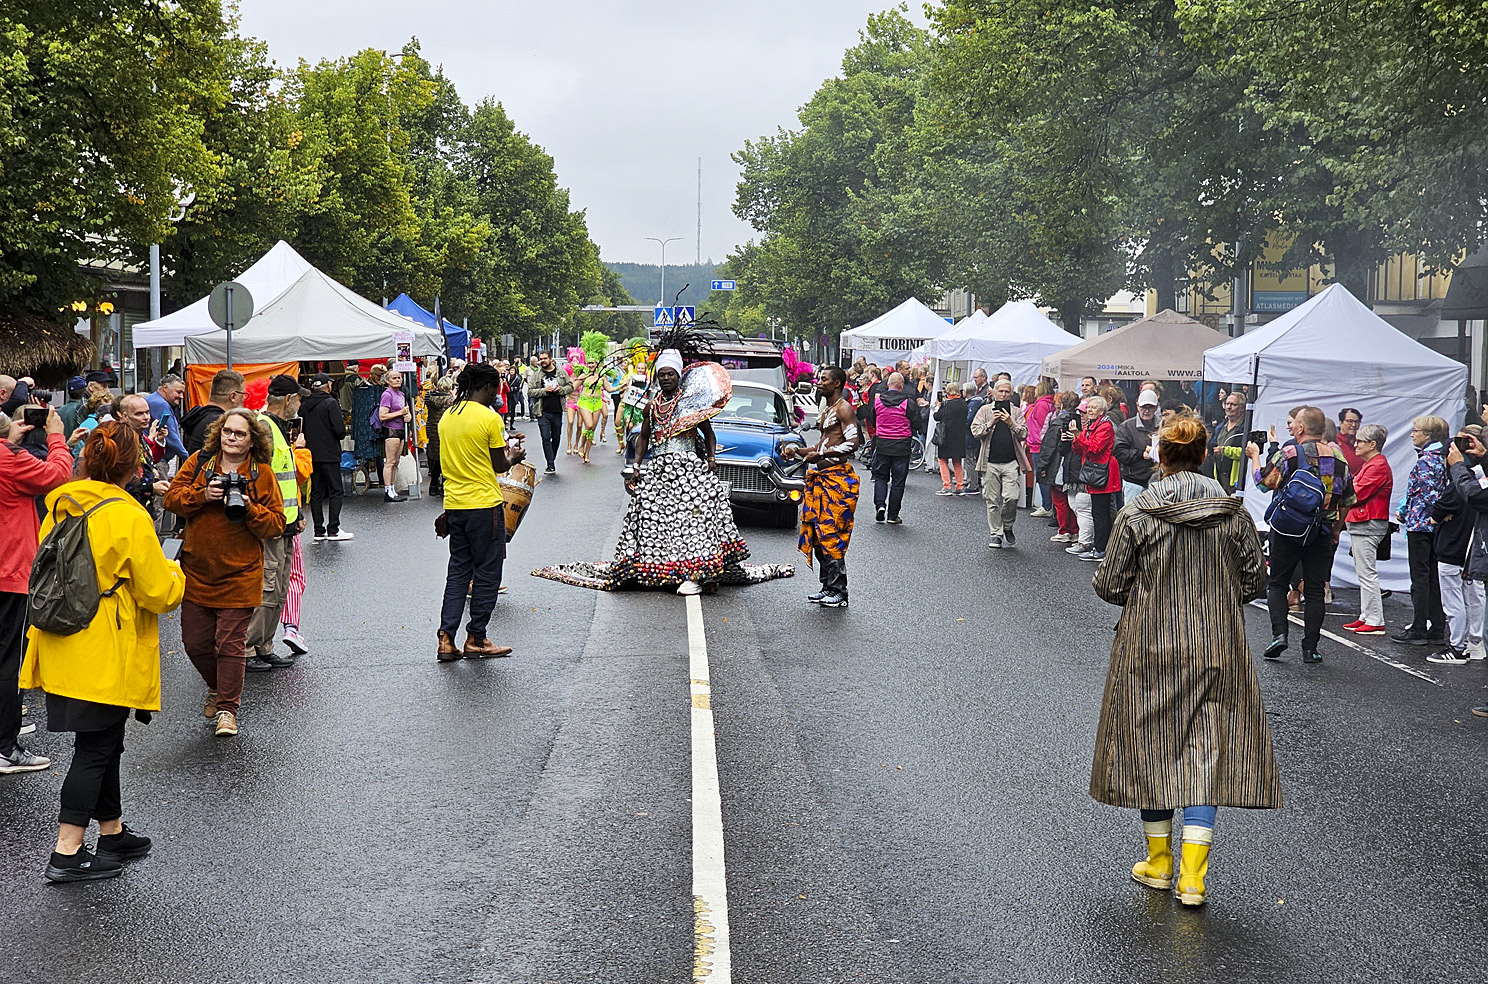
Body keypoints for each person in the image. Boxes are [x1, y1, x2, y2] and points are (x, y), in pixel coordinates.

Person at [1090, 416, 1278, 908]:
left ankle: (1158, 862)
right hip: (1217, 645)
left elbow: (1110, 585)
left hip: (1148, 646)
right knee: (1206, 748)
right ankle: (1193, 879)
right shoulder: (1232, 513)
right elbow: (1255, 583)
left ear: (1162, 454)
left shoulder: (1137, 513)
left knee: (1151, 745)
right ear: (1204, 453)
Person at [20, 422, 186, 882]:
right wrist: (178, 573)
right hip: (104, 647)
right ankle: (67, 851)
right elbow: (157, 592)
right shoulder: (128, 515)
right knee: (95, 748)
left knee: (103, 742)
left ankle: (111, 832)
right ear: (133, 467)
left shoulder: (63, 505)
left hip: (61, 641)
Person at [163, 409, 285, 737]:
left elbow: (275, 524)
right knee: (195, 643)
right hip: (198, 569)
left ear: (252, 440)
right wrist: (202, 496)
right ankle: (217, 688)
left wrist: (248, 507)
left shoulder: (261, 474)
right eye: (227, 432)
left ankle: (228, 710)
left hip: (241, 572)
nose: (231, 438)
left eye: (239, 434)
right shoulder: (200, 464)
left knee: (230, 644)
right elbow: (172, 500)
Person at [1248, 406, 1356, 663]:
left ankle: (1279, 635)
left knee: (1277, 582)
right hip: (1321, 530)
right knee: (1316, 590)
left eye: (1295, 423)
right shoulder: (1339, 458)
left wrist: (1254, 455)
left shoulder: (1290, 453)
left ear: (1301, 428)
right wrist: (1337, 529)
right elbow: (1348, 500)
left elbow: (1264, 483)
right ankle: (1310, 648)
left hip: (1288, 529)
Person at [0, 404, 73, 775]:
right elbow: (57, 476)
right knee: (9, 659)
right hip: (9, 570)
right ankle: (5, 746)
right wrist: (57, 435)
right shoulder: (8, 459)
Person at [435, 364, 526, 660]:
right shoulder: (489, 418)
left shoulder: (448, 416)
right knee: (488, 573)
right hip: (485, 505)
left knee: (458, 570)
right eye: (495, 387)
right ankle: (477, 638)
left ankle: (446, 639)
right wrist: (514, 456)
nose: (497, 393)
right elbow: (500, 464)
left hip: (455, 505)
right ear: (486, 386)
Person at [245, 375, 308, 672]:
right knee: (267, 586)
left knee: (279, 587)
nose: (299, 403)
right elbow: (261, 478)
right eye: (298, 398)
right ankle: (248, 648)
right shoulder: (265, 427)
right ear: (287, 399)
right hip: (271, 522)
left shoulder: (277, 427)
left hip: (285, 522)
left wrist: (298, 514)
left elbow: (285, 479)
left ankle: (264, 645)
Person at [791, 366, 861, 607]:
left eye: (824, 379)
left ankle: (840, 591)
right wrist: (797, 451)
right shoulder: (828, 410)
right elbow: (821, 445)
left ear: (837, 384)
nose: (818, 382)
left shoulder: (844, 408)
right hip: (822, 479)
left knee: (831, 535)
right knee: (818, 535)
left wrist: (824, 454)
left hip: (837, 481)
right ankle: (828, 586)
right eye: (819, 378)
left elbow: (853, 443)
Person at [1387, 415, 1449, 646]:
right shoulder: (1440, 458)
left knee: (1420, 578)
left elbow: (1430, 494)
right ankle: (1436, 626)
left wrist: (1425, 514)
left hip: (1422, 525)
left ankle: (1419, 627)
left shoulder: (1426, 461)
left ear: (1428, 435)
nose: (1412, 434)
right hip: (1430, 524)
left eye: (1416, 430)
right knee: (1432, 576)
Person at [1427, 427, 1483, 665]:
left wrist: (1439, 515)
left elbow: (1438, 510)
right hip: (1471, 549)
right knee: (1474, 596)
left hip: (1452, 548)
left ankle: (1457, 645)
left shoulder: (1459, 484)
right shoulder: (1480, 480)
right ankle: (1475, 643)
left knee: (1453, 599)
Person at [971, 377, 1030, 549]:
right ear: (994, 392)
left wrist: (1011, 423)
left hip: (1011, 461)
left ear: (1011, 394)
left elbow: (1024, 434)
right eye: (1001, 391)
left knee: (1012, 497)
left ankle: (1008, 525)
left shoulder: (1017, 412)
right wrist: (991, 423)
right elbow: (976, 431)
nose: (1003, 395)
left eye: (1007, 392)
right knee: (992, 499)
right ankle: (996, 534)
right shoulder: (985, 410)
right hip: (989, 462)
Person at [301, 372, 351, 541]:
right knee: (336, 490)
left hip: (311, 454)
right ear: (328, 386)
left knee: (316, 491)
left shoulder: (304, 404)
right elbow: (339, 430)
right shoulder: (330, 403)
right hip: (330, 453)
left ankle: (318, 530)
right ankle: (333, 529)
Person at [865, 372, 920, 524]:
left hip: (883, 443)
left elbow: (873, 420)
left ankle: (880, 505)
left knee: (881, 477)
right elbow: (917, 423)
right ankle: (892, 515)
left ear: (888, 384)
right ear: (901, 386)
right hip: (902, 445)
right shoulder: (908, 403)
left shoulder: (878, 402)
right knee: (898, 481)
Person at [1072, 395, 1121, 562]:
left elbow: (1095, 449)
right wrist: (1076, 438)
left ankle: (1101, 549)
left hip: (1103, 474)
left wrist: (1078, 436)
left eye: (1093, 407)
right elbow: (1079, 450)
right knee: (1098, 511)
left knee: (1100, 513)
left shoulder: (1105, 426)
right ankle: (1100, 547)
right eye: (1089, 407)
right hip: (1096, 473)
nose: (1089, 410)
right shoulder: (1092, 425)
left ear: (1101, 410)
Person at [1037, 392, 1082, 544]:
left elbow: (1049, 447)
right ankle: (1075, 530)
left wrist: (1042, 466)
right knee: (1072, 499)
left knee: (1060, 500)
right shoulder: (1079, 421)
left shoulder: (1058, 422)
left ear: (1062, 404)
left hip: (1058, 465)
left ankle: (1064, 530)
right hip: (1074, 465)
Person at [526, 351, 573, 474]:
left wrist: (560, 390)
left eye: (545, 358)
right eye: (540, 359)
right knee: (546, 437)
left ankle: (552, 458)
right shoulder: (537, 375)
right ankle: (550, 464)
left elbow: (570, 387)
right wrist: (544, 390)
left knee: (556, 437)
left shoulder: (561, 373)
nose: (542, 361)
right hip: (542, 411)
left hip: (557, 410)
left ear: (551, 359)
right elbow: (530, 391)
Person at [180, 369, 245, 455]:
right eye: (243, 394)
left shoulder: (199, 417)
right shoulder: (221, 422)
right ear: (233, 396)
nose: (244, 399)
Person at [1113, 389, 1161, 499]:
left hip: (1157, 481)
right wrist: (1141, 454)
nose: (1147, 411)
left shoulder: (1163, 426)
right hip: (1133, 481)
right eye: (1144, 407)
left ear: (1156, 407)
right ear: (1137, 406)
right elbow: (1118, 451)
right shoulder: (1126, 427)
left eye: (1150, 407)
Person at [376, 369, 412, 502]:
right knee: (390, 461)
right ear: (387, 381)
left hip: (401, 429)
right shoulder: (387, 394)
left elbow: (406, 411)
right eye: (394, 378)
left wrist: (407, 416)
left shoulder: (401, 394)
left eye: (399, 378)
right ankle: (387, 490)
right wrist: (400, 413)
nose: (398, 380)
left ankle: (392, 489)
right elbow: (382, 415)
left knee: (396, 462)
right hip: (392, 430)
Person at [1024, 379, 1056, 516]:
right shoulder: (1048, 403)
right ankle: (1047, 505)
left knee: (1041, 474)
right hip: (1040, 444)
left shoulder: (1041, 405)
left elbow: (1044, 425)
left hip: (1039, 445)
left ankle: (1046, 506)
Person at [1206, 391, 1248, 493]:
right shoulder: (1220, 427)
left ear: (1242, 407)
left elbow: (1247, 452)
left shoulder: (1246, 428)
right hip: (1218, 478)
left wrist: (1225, 451)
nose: (1228, 407)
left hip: (1236, 481)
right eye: (1227, 404)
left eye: (1233, 404)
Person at [143, 373, 188, 465]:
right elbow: (171, 435)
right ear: (165, 388)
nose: (181, 397)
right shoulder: (161, 404)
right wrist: (187, 457)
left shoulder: (153, 399)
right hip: (158, 459)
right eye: (178, 392)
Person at [933, 381, 967, 495]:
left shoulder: (945, 404)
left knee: (943, 460)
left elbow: (937, 417)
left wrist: (938, 407)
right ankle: (959, 486)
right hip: (959, 436)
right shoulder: (964, 404)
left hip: (946, 436)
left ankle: (947, 486)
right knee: (957, 461)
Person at [424, 376, 455, 495]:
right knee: (446, 457)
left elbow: (427, 395)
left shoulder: (429, 398)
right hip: (446, 430)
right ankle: (444, 485)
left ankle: (433, 485)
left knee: (435, 456)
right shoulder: (451, 400)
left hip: (433, 429)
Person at [961, 381, 986, 495]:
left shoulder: (973, 404)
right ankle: (972, 481)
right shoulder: (977, 402)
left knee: (970, 460)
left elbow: (969, 419)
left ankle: (972, 484)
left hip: (969, 435)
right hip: (972, 435)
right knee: (971, 459)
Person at [1336, 407, 1364, 473]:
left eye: (1357, 422)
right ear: (1341, 422)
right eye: (1349, 421)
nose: (1354, 425)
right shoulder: (1333, 441)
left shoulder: (1364, 441)